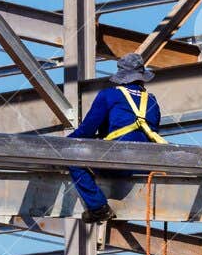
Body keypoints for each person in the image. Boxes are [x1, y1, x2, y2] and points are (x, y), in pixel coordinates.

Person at [65, 52, 166, 223]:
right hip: (144, 166)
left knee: (72, 158)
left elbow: (86, 132)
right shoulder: (152, 100)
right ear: (142, 78)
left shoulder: (109, 95)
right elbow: (151, 133)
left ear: (122, 77)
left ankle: (98, 208)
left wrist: (63, 144)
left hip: (117, 162)